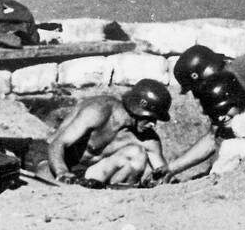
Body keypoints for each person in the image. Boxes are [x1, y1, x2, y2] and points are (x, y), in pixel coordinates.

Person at [42, 79, 170, 185]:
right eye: (150, 118)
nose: (153, 124)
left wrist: (159, 180)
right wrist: (62, 173)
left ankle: (115, 195)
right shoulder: (98, 111)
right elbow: (57, 143)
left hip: (90, 178)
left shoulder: (148, 139)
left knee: (137, 154)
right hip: (59, 167)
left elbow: (164, 173)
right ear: (136, 110)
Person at [160, 70, 245, 182]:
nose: (220, 118)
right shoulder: (228, 124)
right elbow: (212, 139)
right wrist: (171, 169)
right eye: (215, 113)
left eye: (224, 110)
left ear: (238, 101)